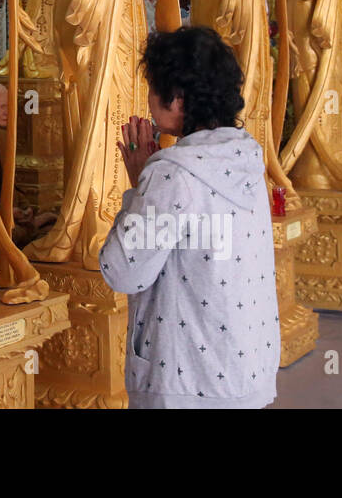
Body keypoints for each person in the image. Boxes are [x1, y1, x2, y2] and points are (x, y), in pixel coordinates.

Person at [98, 26, 280, 408]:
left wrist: (138, 190)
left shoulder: (173, 174)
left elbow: (123, 271)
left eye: (153, 88)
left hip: (186, 381)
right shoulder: (246, 157)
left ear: (177, 99)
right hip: (244, 370)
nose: (148, 100)